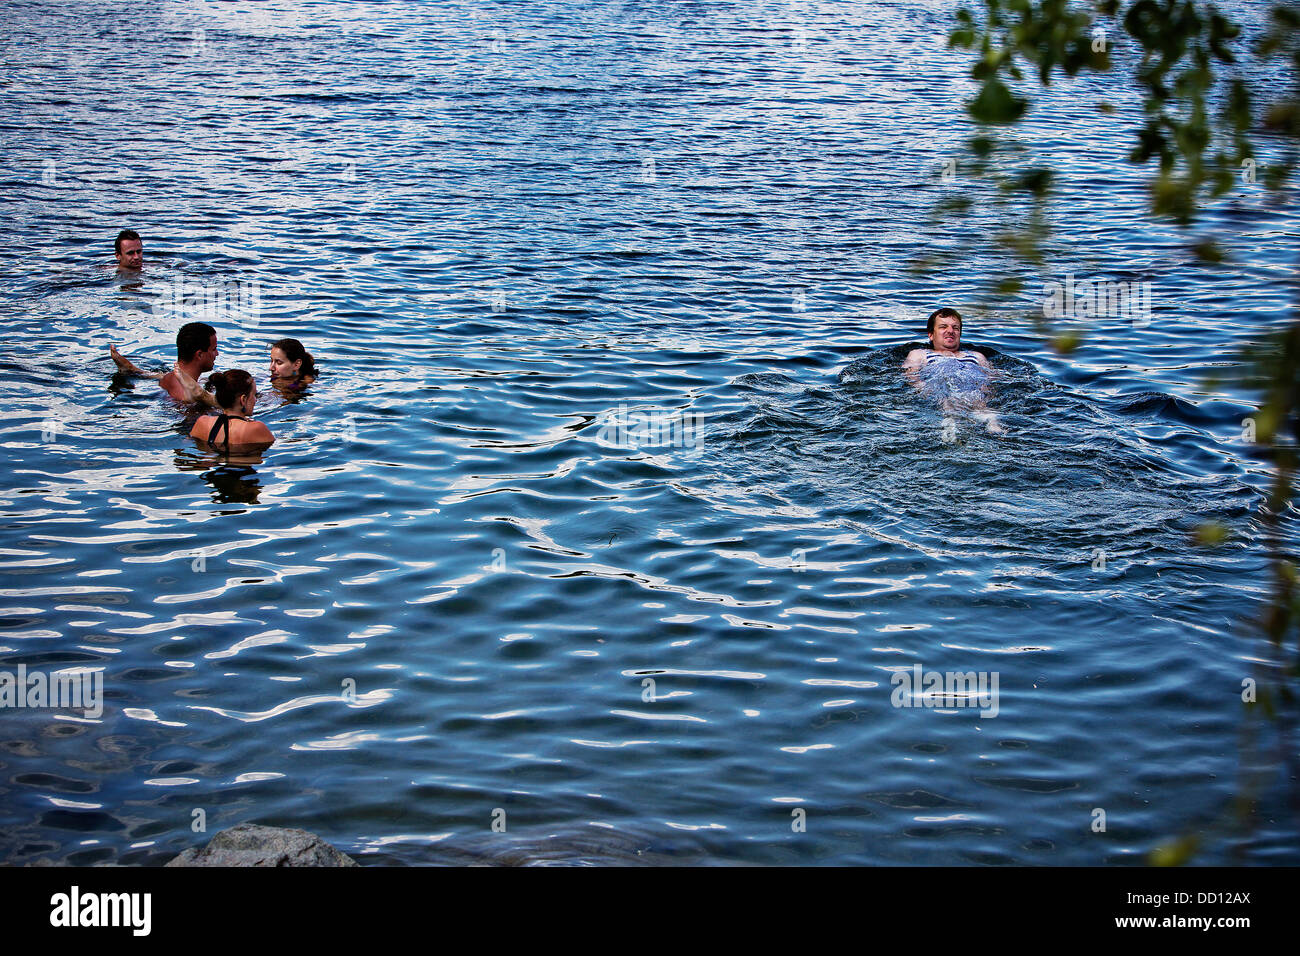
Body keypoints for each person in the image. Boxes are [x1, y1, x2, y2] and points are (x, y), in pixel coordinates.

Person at [902, 307, 1004, 434]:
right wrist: (929, 392)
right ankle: (950, 423)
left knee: (984, 408)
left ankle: (994, 427)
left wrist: (985, 396)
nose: (950, 331)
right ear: (931, 334)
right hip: (941, 392)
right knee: (947, 400)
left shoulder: (977, 356)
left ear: (960, 333)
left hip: (972, 393)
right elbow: (911, 377)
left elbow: (992, 381)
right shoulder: (919, 354)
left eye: (955, 328)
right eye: (943, 327)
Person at [109, 321, 220, 406]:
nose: (217, 354)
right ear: (199, 354)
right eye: (214, 349)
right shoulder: (185, 395)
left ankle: (134, 370)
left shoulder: (168, 377)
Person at [190, 369, 274, 449]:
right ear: (243, 400)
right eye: (254, 395)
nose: (255, 400)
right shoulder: (257, 428)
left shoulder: (202, 422)